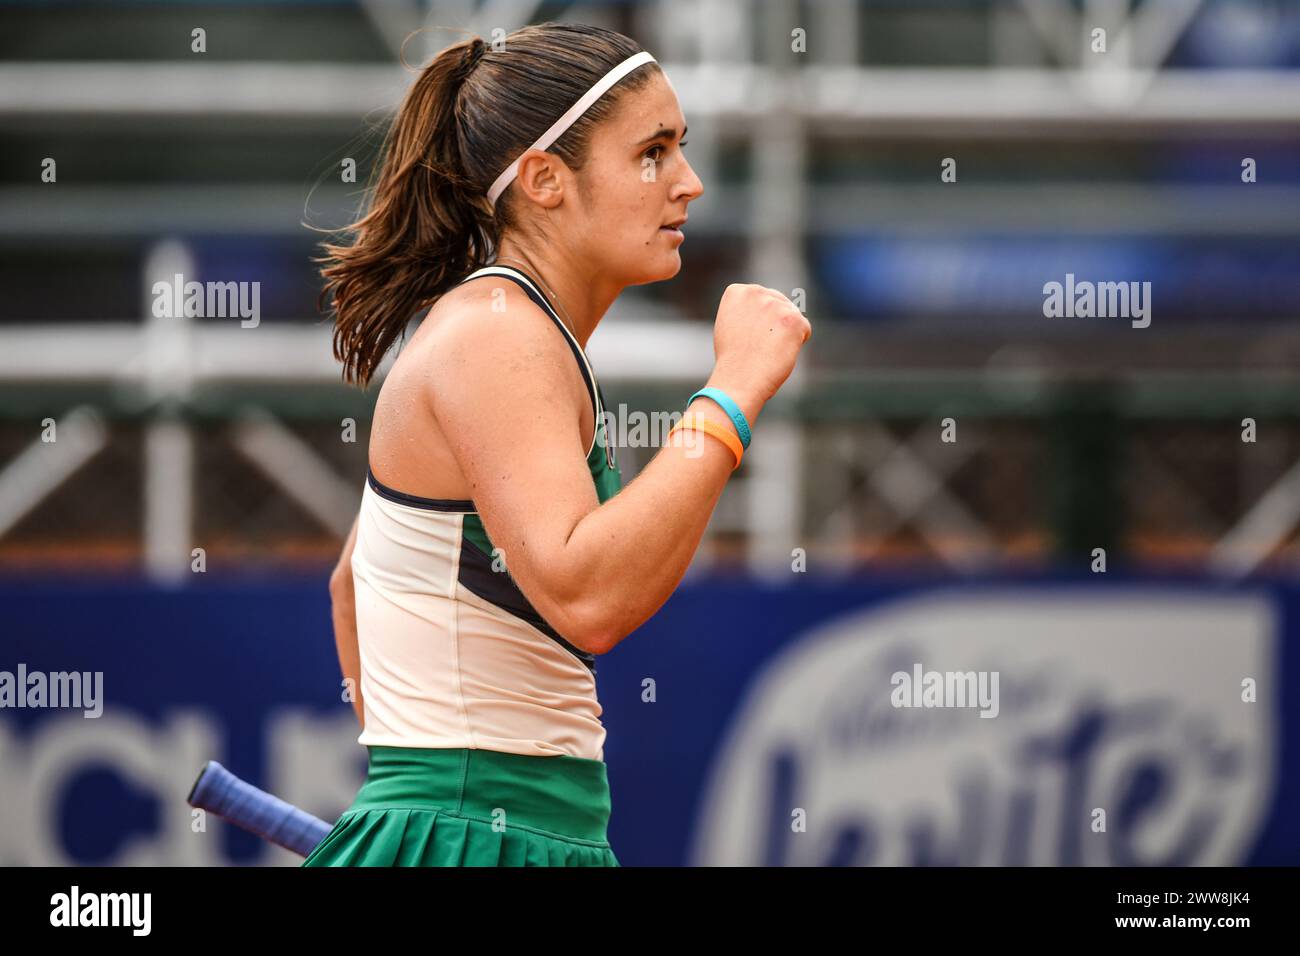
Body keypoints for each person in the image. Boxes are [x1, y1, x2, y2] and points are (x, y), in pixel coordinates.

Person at [303, 21, 811, 867]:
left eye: (680, 148)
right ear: (544, 179)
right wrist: (733, 391)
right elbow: (587, 597)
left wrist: (415, 796)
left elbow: (352, 580)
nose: (687, 182)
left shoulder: (502, 330)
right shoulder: (497, 336)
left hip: (495, 830)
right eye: (652, 153)